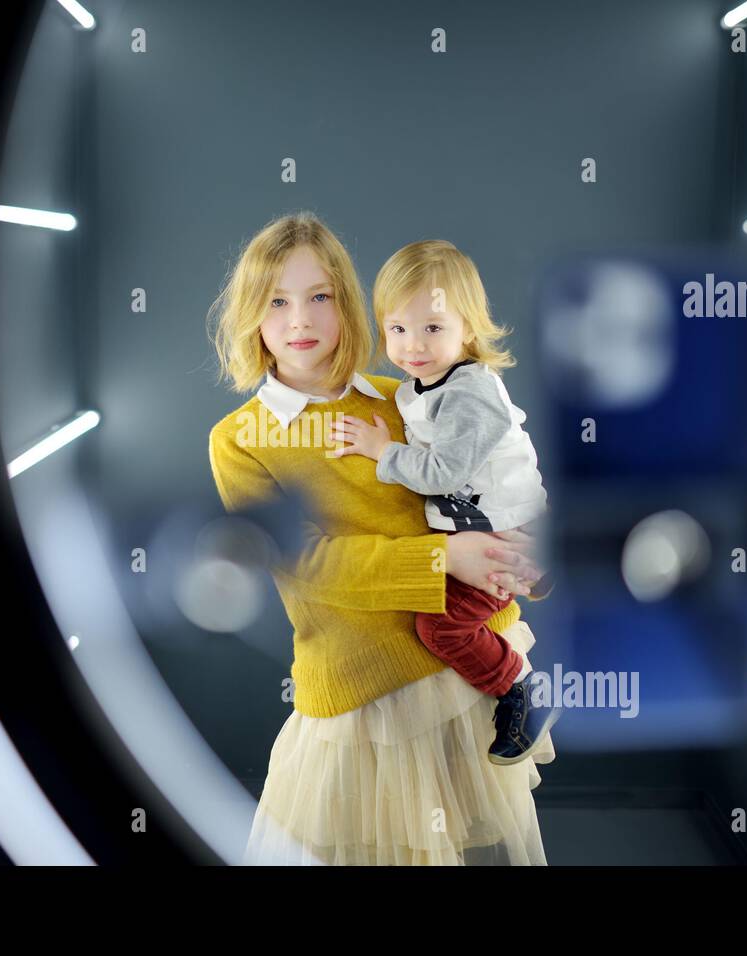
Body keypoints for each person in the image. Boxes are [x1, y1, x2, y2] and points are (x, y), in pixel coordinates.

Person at [206, 211, 554, 865]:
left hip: (461, 676)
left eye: (319, 297)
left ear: (348, 305)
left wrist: (521, 548)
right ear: (252, 314)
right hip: (358, 693)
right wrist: (444, 556)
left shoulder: (409, 398)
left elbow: (489, 478)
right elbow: (305, 561)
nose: (300, 320)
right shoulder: (240, 440)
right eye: (277, 301)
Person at [329, 239, 561, 766]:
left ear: (469, 329)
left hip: (508, 528)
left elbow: (442, 472)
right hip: (488, 522)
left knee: (440, 627)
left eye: (433, 328)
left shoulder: (469, 393)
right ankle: (537, 574)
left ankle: (522, 687)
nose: (413, 344)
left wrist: (381, 450)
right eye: (398, 329)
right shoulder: (421, 386)